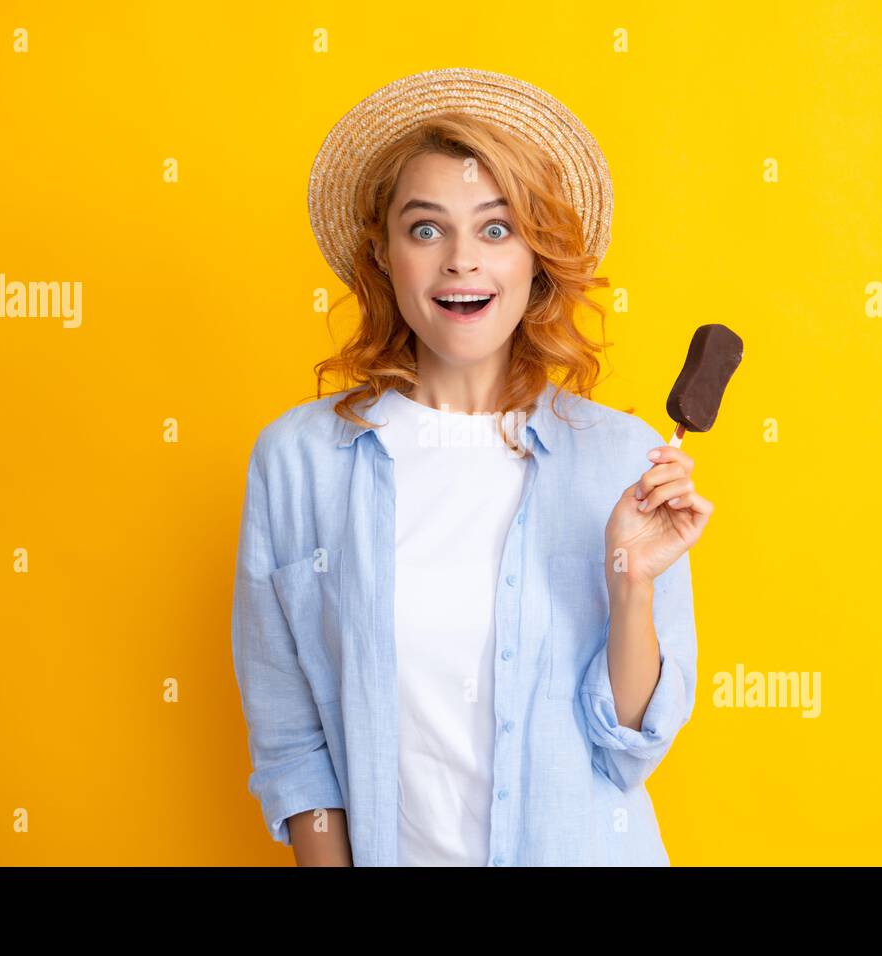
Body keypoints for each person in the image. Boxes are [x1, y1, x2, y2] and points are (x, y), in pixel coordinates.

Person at [231, 68, 714, 866]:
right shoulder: (298, 462)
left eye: (496, 230)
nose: (462, 260)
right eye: (426, 229)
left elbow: (627, 748)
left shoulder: (626, 460)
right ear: (383, 256)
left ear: (538, 258)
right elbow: (290, 739)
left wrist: (631, 579)